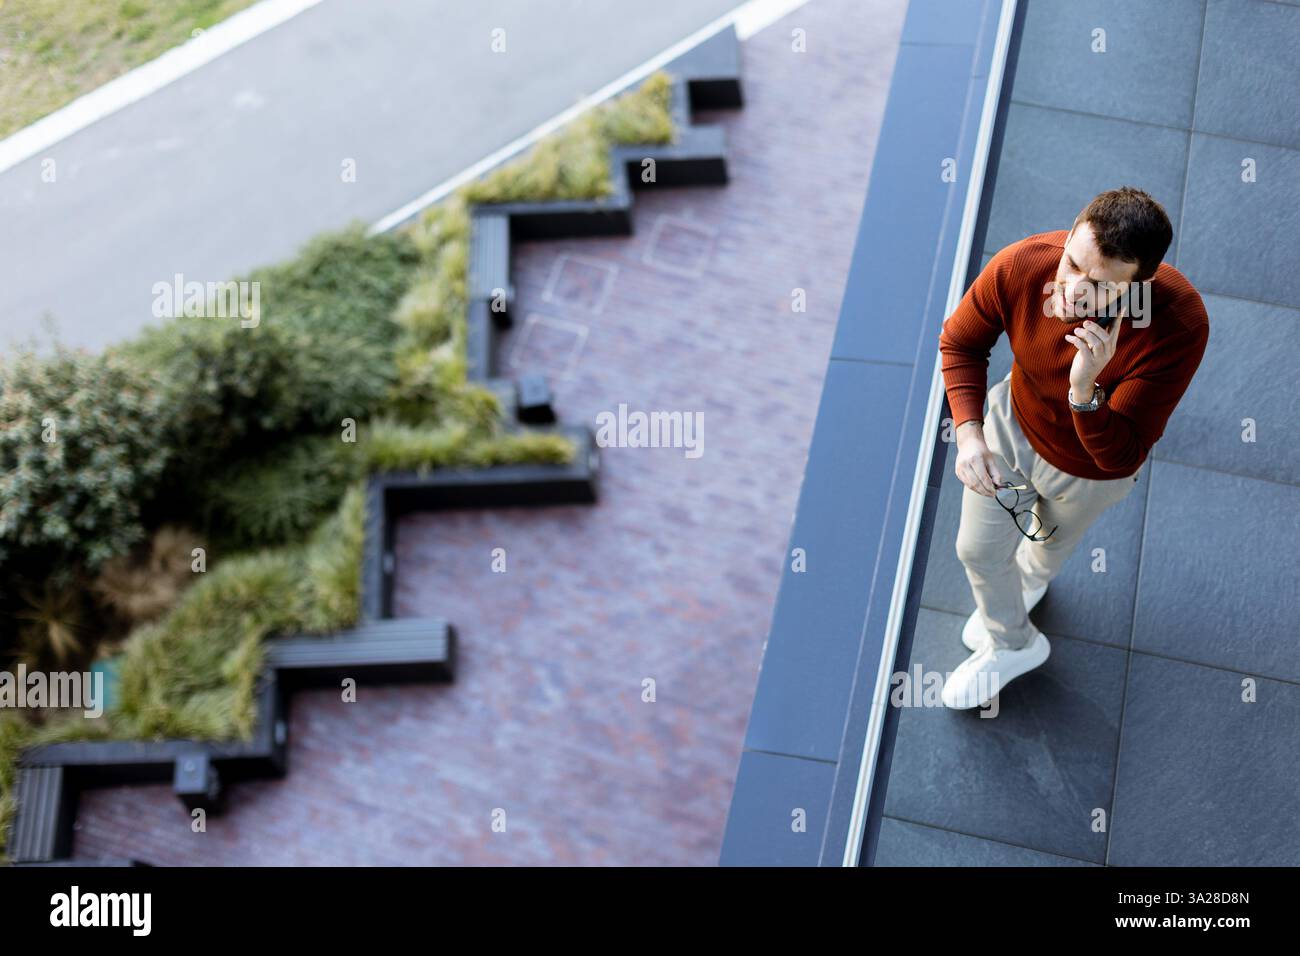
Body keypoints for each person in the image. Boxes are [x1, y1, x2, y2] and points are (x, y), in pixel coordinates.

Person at [937, 186, 1209, 710]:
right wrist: (969, 433)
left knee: (1047, 552)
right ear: (1070, 234)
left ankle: (1026, 588)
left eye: (1100, 283)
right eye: (1072, 262)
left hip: (1089, 470)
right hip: (1010, 427)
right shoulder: (1022, 264)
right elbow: (961, 342)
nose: (1073, 289)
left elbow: (1123, 455)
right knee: (976, 551)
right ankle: (1017, 644)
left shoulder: (1177, 326)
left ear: (1140, 284)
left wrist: (1085, 392)